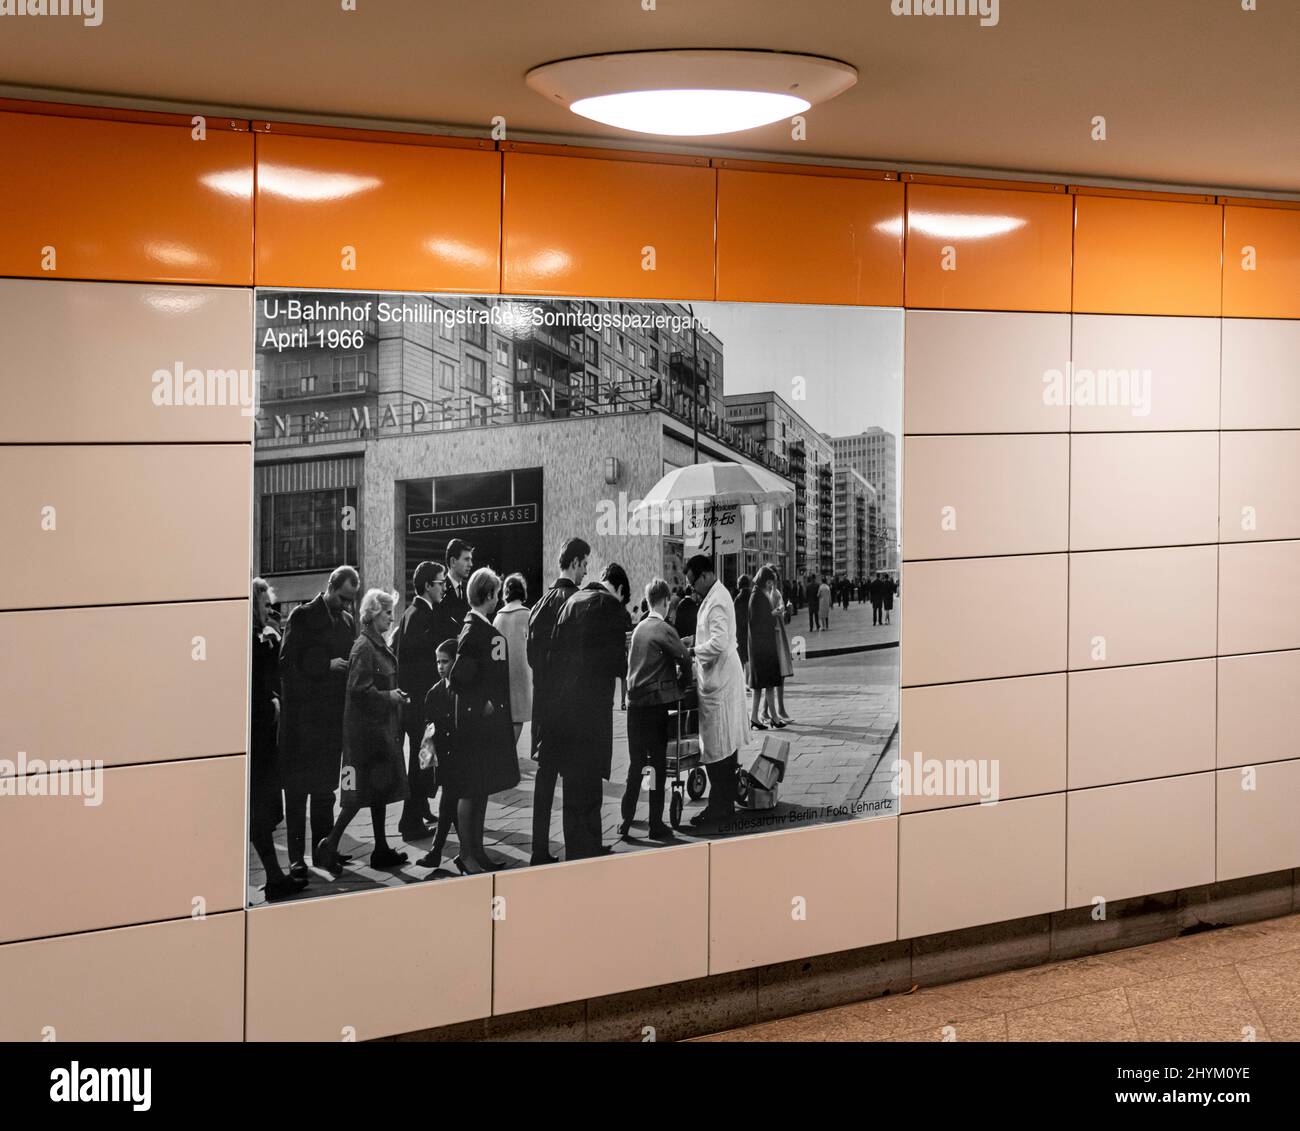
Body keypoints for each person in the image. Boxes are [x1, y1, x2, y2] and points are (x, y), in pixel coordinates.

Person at [315, 588, 410, 872]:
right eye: (388, 613)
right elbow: (358, 690)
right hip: (366, 737)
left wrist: (391, 695)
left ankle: (380, 849)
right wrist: (389, 697)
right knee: (356, 797)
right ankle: (328, 845)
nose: (392, 619)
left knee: (376, 792)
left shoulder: (374, 644)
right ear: (372, 614)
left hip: (376, 733)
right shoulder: (364, 647)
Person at [278, 564, 359, 879]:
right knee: (297, 794)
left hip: (329, 722)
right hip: (301, 723)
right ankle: (297, 859)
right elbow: (287, 663)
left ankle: (325, 850)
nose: (347, 605)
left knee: (325, 792)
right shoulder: (302, 616)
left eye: (351, 600)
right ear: (330, 587)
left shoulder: (347, 620)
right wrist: (326, 665)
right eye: (342, 598)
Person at [550, 562, 631, 859]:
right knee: (592, 781)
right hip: (594, 709)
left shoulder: (571, 602)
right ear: (620, 592)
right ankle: (592, 844)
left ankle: (575, 846)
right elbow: (618, 666)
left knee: (572, 781)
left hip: (566, 706)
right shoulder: (610, 608)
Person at [449, 567, 521, 874]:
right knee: (471, 790)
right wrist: (484, 704)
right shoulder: (477, 631)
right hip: (477, 727)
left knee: (479, 789)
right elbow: (457, 678)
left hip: (481, 727)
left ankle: (476, 851)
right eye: (495, 593)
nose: (496, 599)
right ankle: (467, 854)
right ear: (489, 595)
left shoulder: (476, 628)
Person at [526, 537, 589, 866]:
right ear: (576, 562)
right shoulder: (577, 601)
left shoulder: (540, 604)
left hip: (545, 706)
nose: (586, 571)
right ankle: (574, 845)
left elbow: (531, 657)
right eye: (585, 564)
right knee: (575, 780)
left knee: (545, 778)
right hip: (571, 708)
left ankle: (539, 848)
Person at [619, 577, 691, 840]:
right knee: (658, 765)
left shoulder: (639, 629)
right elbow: (684, 658)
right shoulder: (663, 628)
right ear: (665, 601)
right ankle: (655, 824)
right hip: (655, 707)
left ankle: (626, 820)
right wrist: (683, 687)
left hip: (634, 706)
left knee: (636, 764)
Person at [249, 577, 306, 901]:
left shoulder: (262, 638)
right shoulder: (253, 641)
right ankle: (273, 877)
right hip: (256, 740)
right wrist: (270, 702)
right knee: (260, 811)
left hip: (265, 738)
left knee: (264, 812)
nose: (271, 610)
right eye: (265, 605)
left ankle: (274, 876)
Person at [685, 555, 748, 826]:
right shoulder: (715, 595)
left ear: (705, 576)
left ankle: (719, 807)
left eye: (692, 583)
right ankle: (722, 803)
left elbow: (719, 642)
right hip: (720, 678)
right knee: (722, 746)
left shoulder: (718, 599)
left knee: (717, 747)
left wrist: (692, 650)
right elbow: (712, 635)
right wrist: (695, 639)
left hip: (719, 680)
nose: (691, 589)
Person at [393, 560, 444, 840]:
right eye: (440, 582)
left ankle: (413, 816)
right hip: (420, 706)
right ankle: (410, 822)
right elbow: (419, 666)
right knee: (420, 762)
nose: (444, 587)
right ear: (427, 585)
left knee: (422, 760)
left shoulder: (413, 613)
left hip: (415, 704)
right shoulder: (421, 615)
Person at [416, 638, 460, 871]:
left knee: (450, 802)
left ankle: (438, 851)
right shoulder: (435, 692)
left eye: (445, 661)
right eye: (438, 662)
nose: (440, 666)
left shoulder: (459, 689)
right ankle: (462, 850)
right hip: (445, 756)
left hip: (457, 755)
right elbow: (428, 723)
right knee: (450, 801)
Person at [493, 572, 532, 751]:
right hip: (522, 670)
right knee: (518, 716)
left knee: (507, 714)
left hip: (502, 670)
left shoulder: (498, 617)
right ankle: (509, 752)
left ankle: (506, 751)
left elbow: (495, 650)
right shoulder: (527, 614)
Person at [747, 565, 785, 731]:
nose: (771, 585)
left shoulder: (757, 595)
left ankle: (755, 717)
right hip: (763, 647)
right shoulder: (758, 597)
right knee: (768, 683)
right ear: (764, 581)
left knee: (759, 686)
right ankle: (774, 718)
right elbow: (760, 622)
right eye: (770, 582)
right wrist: (775, 614)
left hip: (758, 647)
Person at [771, 569, 796, 724]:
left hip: (778, 631)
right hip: (775, 634)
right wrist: (780, 610)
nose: (774, 581)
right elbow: (775, 611)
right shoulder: (772, 593)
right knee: (778, 672)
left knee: (776, 673)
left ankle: (771, 710)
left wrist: (784, 611)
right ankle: (778, 710)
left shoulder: (774, 592)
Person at [442, 538, 474, 626]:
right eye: (466, 559)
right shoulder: (439, 589)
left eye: (471, 559)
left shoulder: (469, 589)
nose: (471, 564)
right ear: (453, 562)